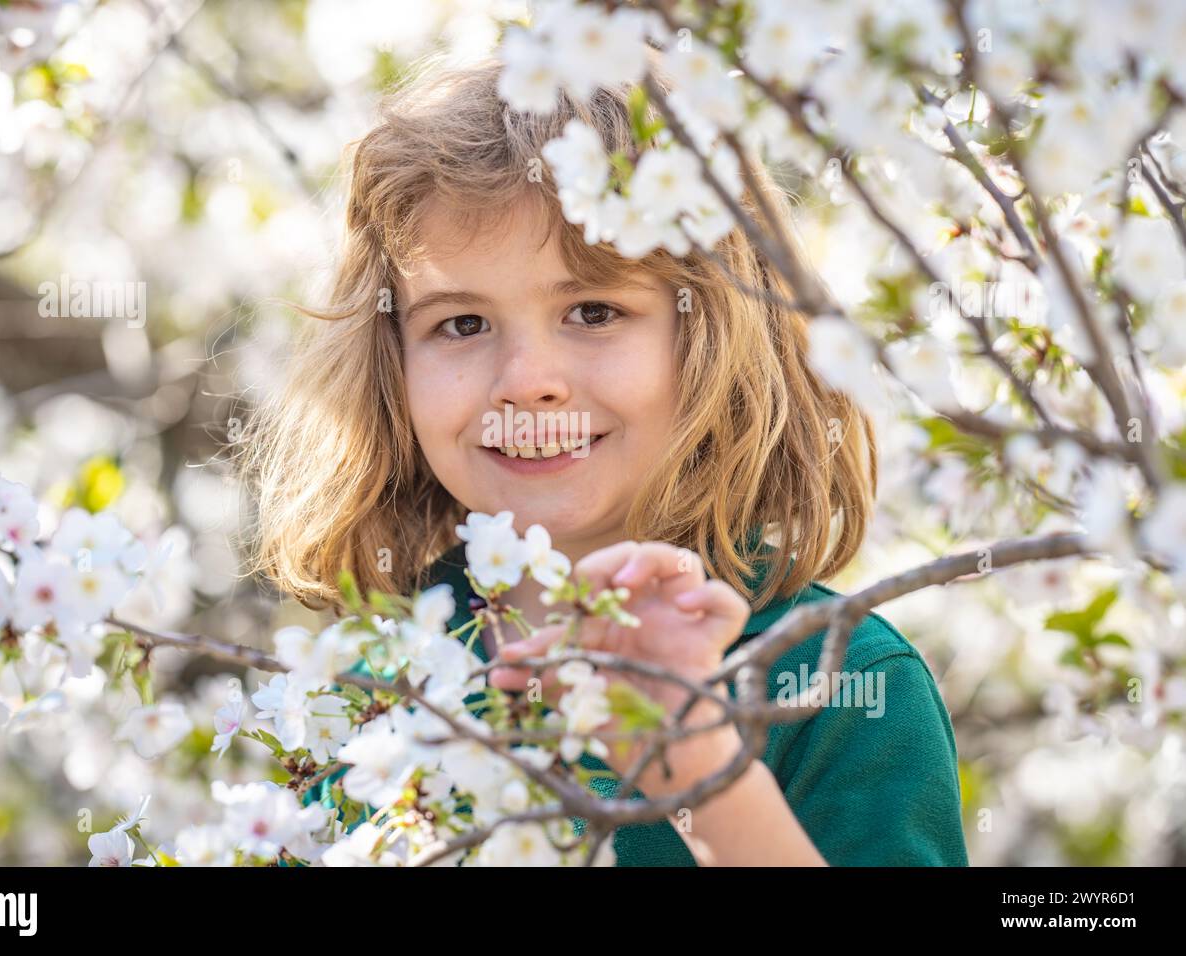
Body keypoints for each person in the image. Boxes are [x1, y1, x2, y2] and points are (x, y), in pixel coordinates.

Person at [242, 52, 968, 867]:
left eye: (593, 311)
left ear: (710, 338)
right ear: (391, 365)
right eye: (462, 324)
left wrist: (693, 766)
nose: (528, 384)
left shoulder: (843, 686)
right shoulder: (366, 682)